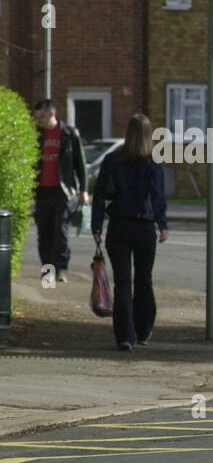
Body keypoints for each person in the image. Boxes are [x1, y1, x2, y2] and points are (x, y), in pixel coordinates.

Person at [91, 113, 169, 351]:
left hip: (119, 226)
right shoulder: (153, 162)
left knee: (122, 282)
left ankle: (125, 336)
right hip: (144, 227)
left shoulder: (113, 160)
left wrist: (96, 226)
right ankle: (144, 329)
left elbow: (100, 195)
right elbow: (157, 196)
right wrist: (163, 225)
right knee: (144, 279)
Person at [31, 99, 88, 283]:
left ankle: (61, 269)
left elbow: (80, 164)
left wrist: (83, 190)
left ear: (51, 114)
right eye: (36, 117)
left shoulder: (69, 134)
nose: (38, 120)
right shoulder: (36, 135)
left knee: (60, 232)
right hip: (41, 191)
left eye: (41, 116)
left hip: (62, 190)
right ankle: (48, 271)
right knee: (44, 234)